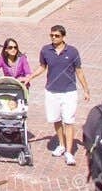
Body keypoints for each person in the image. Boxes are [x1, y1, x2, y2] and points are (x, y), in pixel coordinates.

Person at [30, 24, 89, 165]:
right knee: (56, 119)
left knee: (69, 121)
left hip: (69, 92)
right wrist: (30, 76)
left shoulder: (73, 51)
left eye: (57, 36)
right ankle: (61, 145)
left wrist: (85, 90)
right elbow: (42, 67)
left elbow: (79, 71)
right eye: (51, 35)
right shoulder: (45, 50)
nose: (54, 38)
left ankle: (69, 152)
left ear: (63, 36)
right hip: (51, 91)